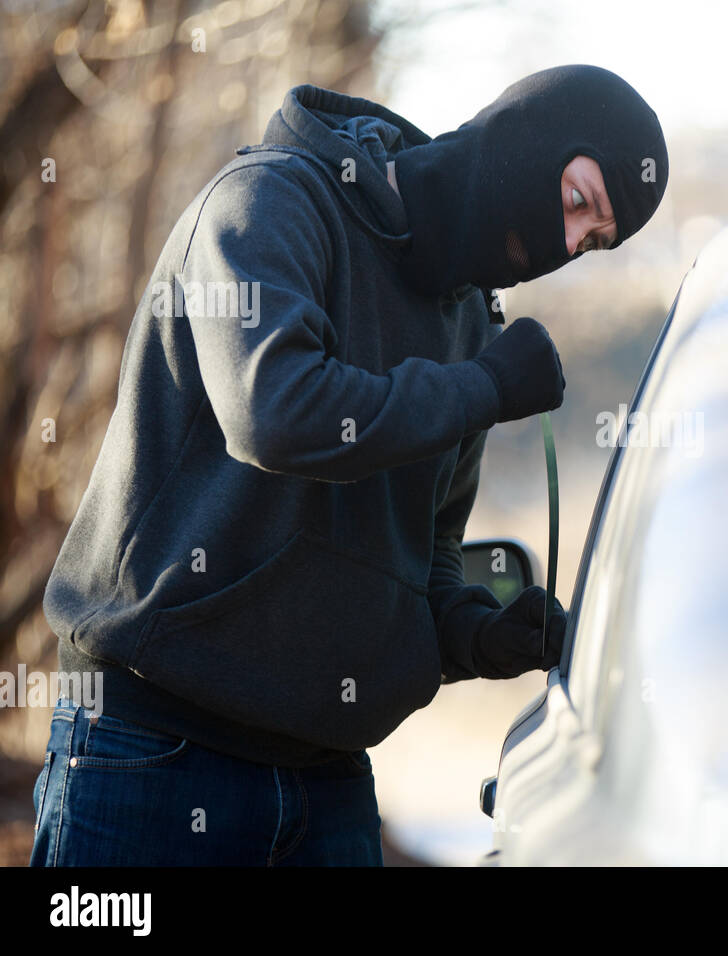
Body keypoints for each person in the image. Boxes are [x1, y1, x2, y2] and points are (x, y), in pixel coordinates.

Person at [30, 64, 669, 866]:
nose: (571, 245)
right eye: (580, 204)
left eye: (594, 243)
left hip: (327, 785)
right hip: (154, 753)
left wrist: (478, 634)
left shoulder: (469, 321)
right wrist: (483, 389)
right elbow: (277, 413)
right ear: (527, 139)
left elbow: (423, 557)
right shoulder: (271, 202)